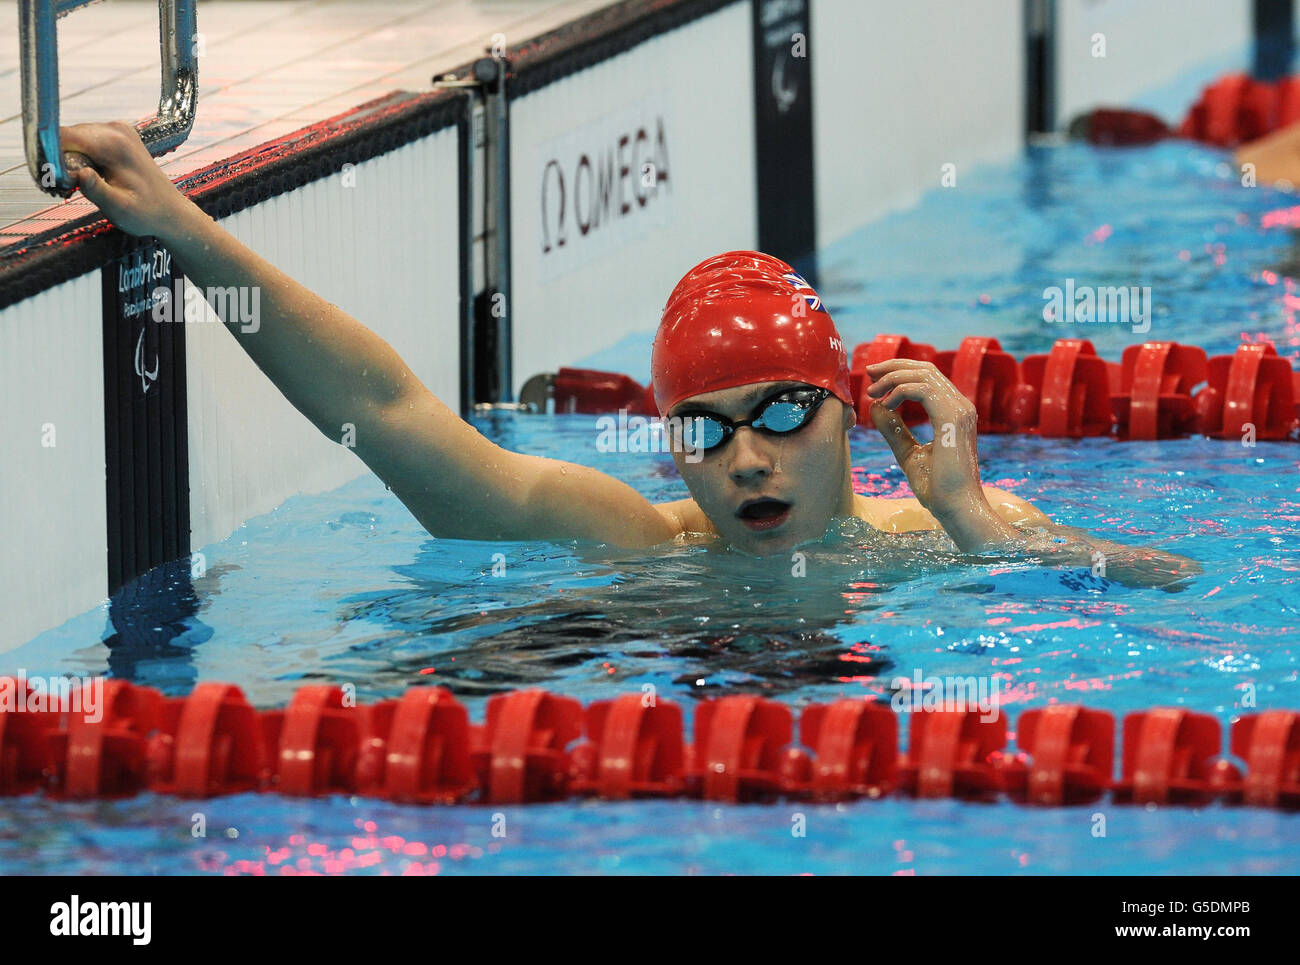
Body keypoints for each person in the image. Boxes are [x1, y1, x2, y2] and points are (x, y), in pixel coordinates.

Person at [59, 121, 1199, 587]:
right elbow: (393, 411)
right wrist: (186, 229)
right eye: (704, 428)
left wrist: (972, 520)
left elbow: (1175, 582)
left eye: (783, 413)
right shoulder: (642, 544)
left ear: (855, 409)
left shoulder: (936, 536)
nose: (746, 456)